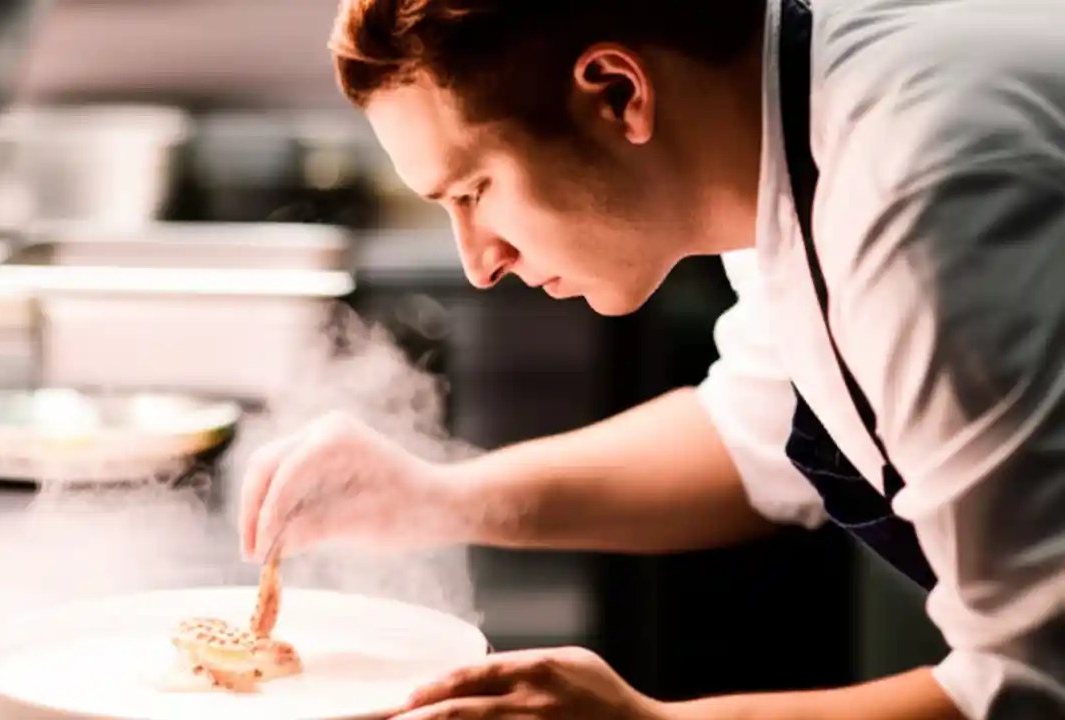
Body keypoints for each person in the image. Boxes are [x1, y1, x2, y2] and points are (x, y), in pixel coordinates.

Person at [236, 1, 1065, 718]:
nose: (478, 263)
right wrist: (435, 497)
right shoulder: (781, 124)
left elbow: (1030, 688)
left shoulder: (916, 201)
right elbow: (760, 432)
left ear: (617, 93)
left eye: (472, 191)